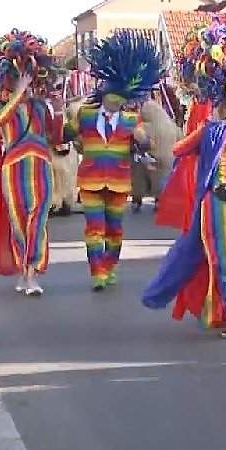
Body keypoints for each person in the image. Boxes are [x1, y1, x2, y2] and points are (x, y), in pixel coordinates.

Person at [143, 16, 226, 339]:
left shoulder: (210, 130)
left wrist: (197, 135)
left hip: (220, 204)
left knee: (224, 261)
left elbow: (177, 150)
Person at [68, 32, 163, 290]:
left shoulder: (131, 120)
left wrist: (143, 139)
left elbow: (147, 145)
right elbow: (64, 135)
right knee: (94, 228)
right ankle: (97, 272)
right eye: (112, 97)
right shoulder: (85, 114)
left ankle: (110, 266)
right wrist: (60, 116)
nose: (115, 102)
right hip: (90, 181)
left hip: (119, 182)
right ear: (104, 93)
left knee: (115, 230)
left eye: (120, 99)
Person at [0, 30, 62, 296]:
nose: (25, 81)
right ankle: (23, 271)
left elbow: (56, 137)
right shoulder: (0, 108)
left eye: (28, 77)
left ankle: (32, 273)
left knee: (38, 220)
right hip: (13, 169)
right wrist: (19, 93)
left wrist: (58, 109)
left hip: (41, 167)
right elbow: (2, 119)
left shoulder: (41, 107)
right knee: (18, 221)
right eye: (18, 77)